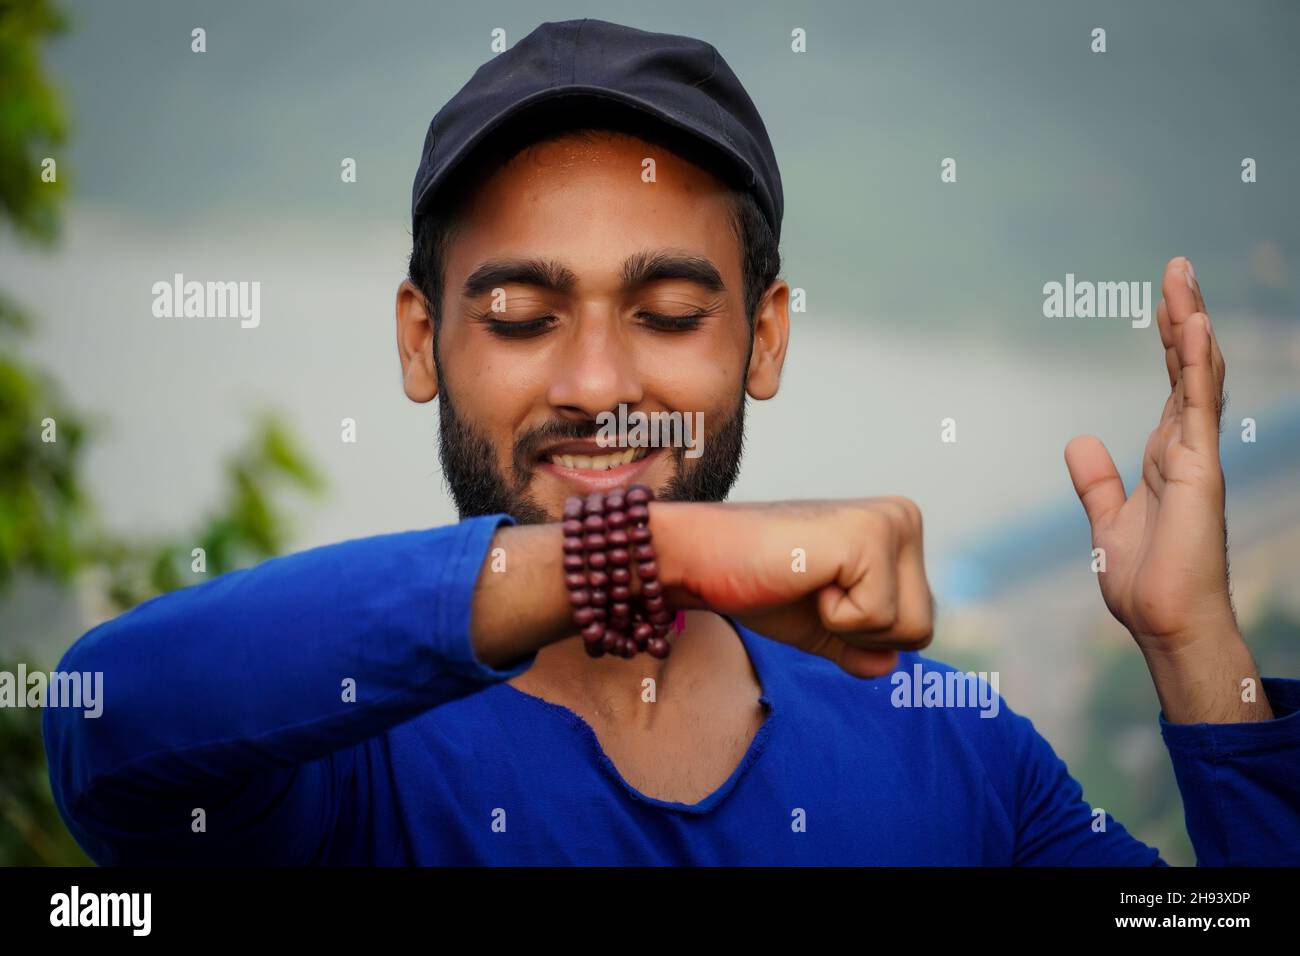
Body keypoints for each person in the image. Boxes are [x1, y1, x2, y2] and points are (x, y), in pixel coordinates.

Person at [45, 18, 1299, 865]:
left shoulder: (953, 754)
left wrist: (1197, 651)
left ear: (763, 338)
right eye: (526, 315)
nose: (597, 383)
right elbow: (111, 723)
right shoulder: (336, 755)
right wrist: (636, 557)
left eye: (668, 314)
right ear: (422, 342)